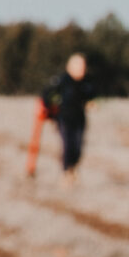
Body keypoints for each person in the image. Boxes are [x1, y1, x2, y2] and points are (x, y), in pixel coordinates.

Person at [42, 51, 97, 183]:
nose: (82, 69)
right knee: (68, 145)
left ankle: (73, 167)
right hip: (64, 118)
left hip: (79, 118)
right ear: (70, 67)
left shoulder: (87, 82)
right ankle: (66, 172)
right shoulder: (62, 81)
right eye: (79, 66)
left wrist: (91, 103)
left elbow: (92, 96)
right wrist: (50, 111)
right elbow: (46, 96)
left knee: (78, 145)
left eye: (83, 66)